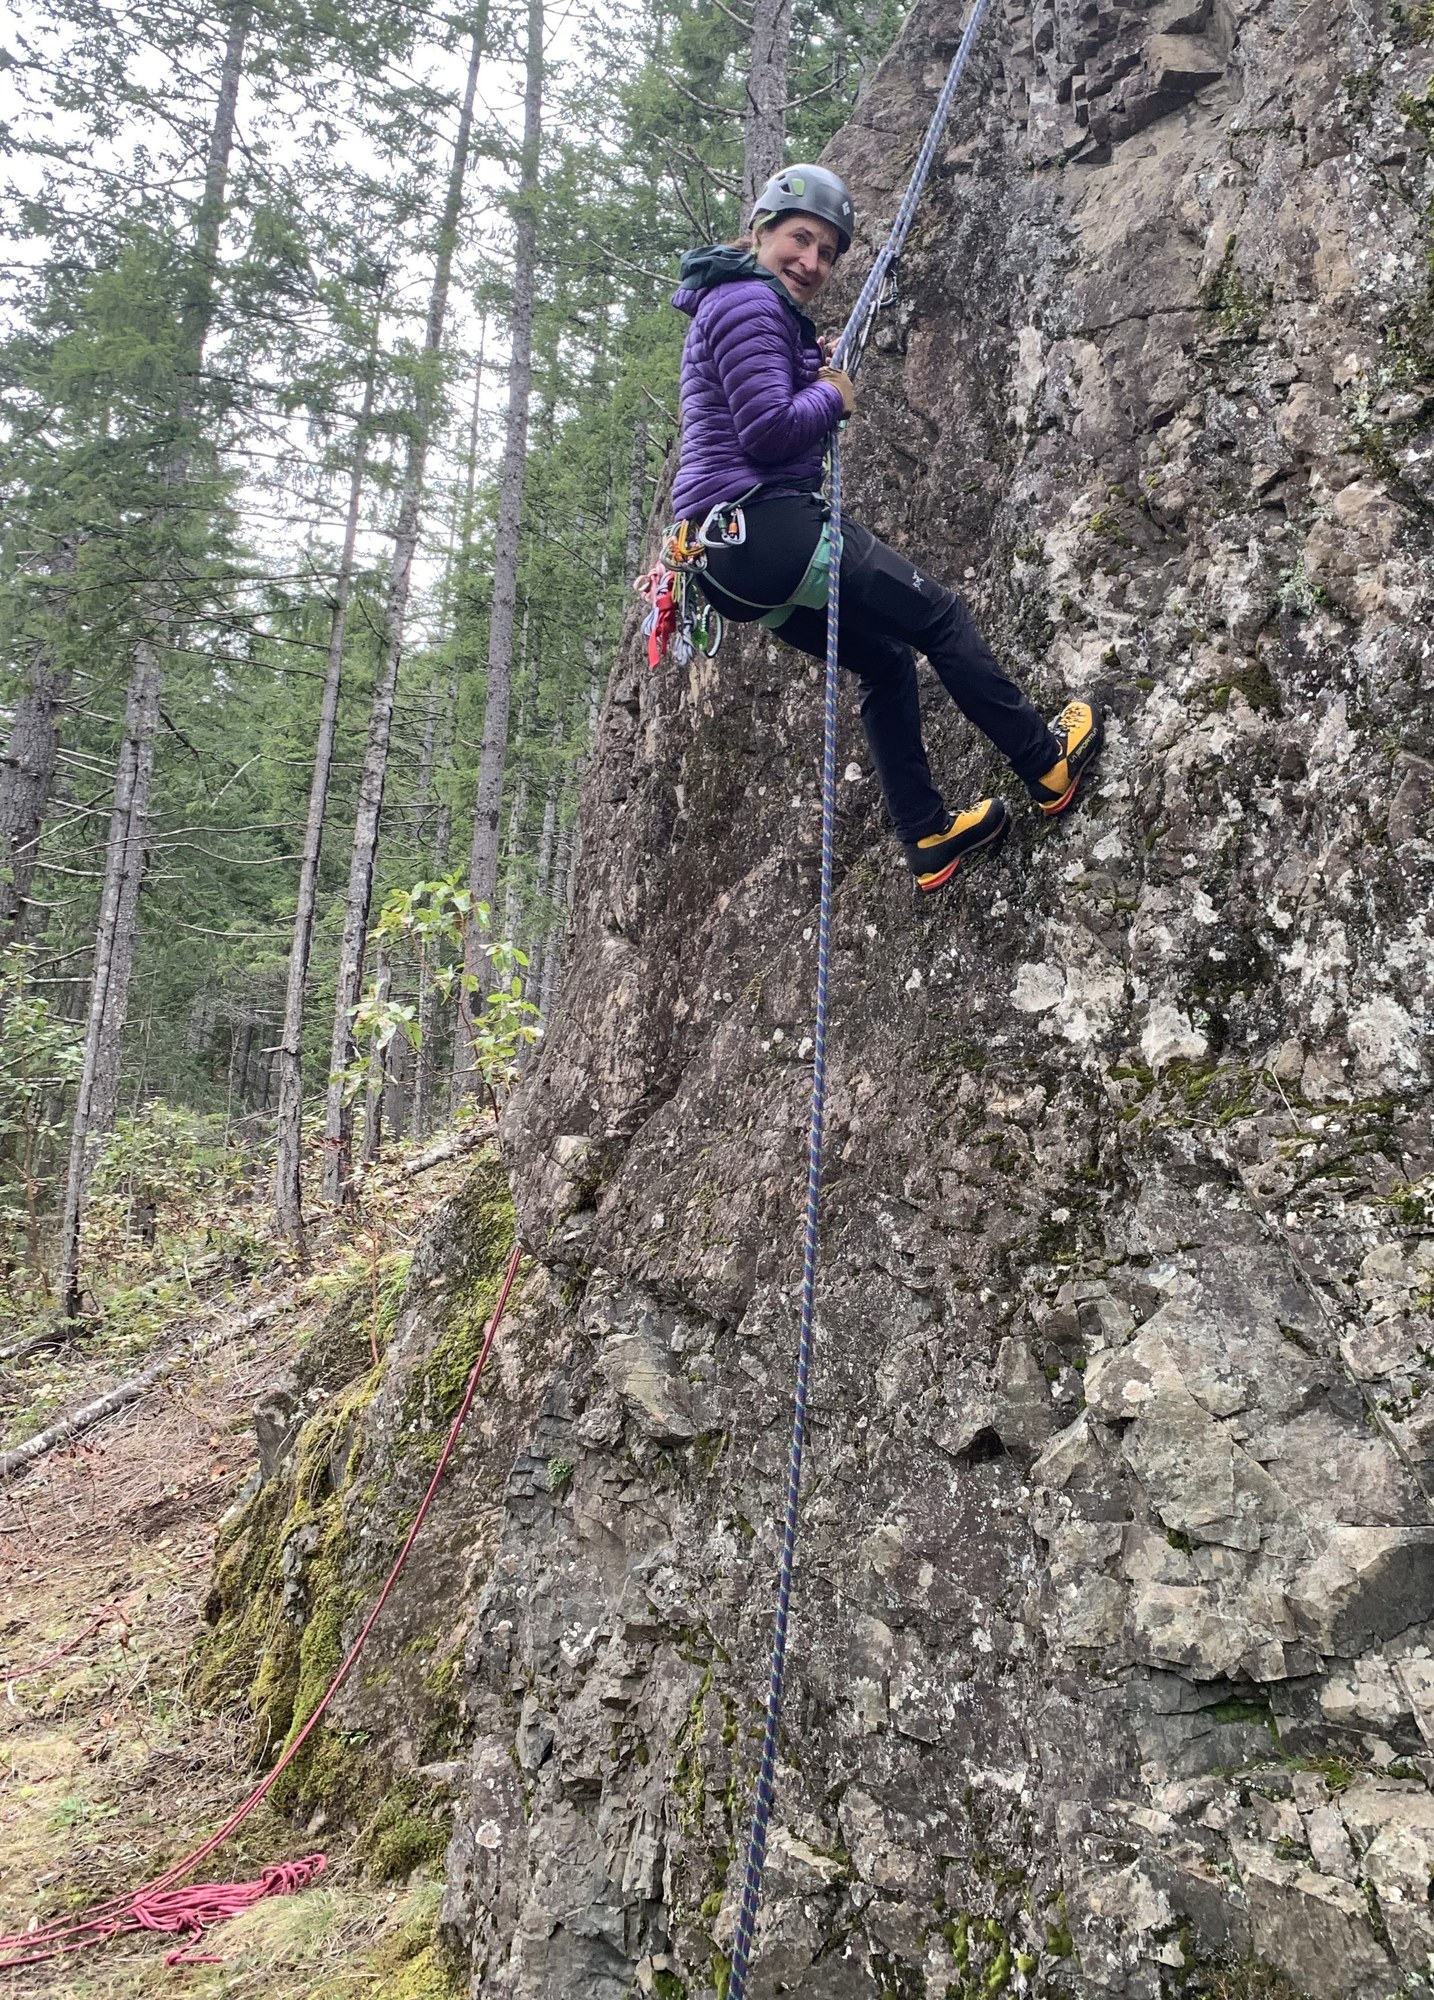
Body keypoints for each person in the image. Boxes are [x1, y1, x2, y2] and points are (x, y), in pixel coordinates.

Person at [669, 162, 1103, 892]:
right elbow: (771, 430)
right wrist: (833, 395)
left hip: (728, 565)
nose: (812, 262)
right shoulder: (749, 302)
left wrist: (813, 370)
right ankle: (1046, 763)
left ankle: (929, 837)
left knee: (885, 661)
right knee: (939, 615)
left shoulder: (738, 301)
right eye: (799, 240)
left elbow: (759, 408)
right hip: (765, 526)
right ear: (762, 231)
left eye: (829, 252)